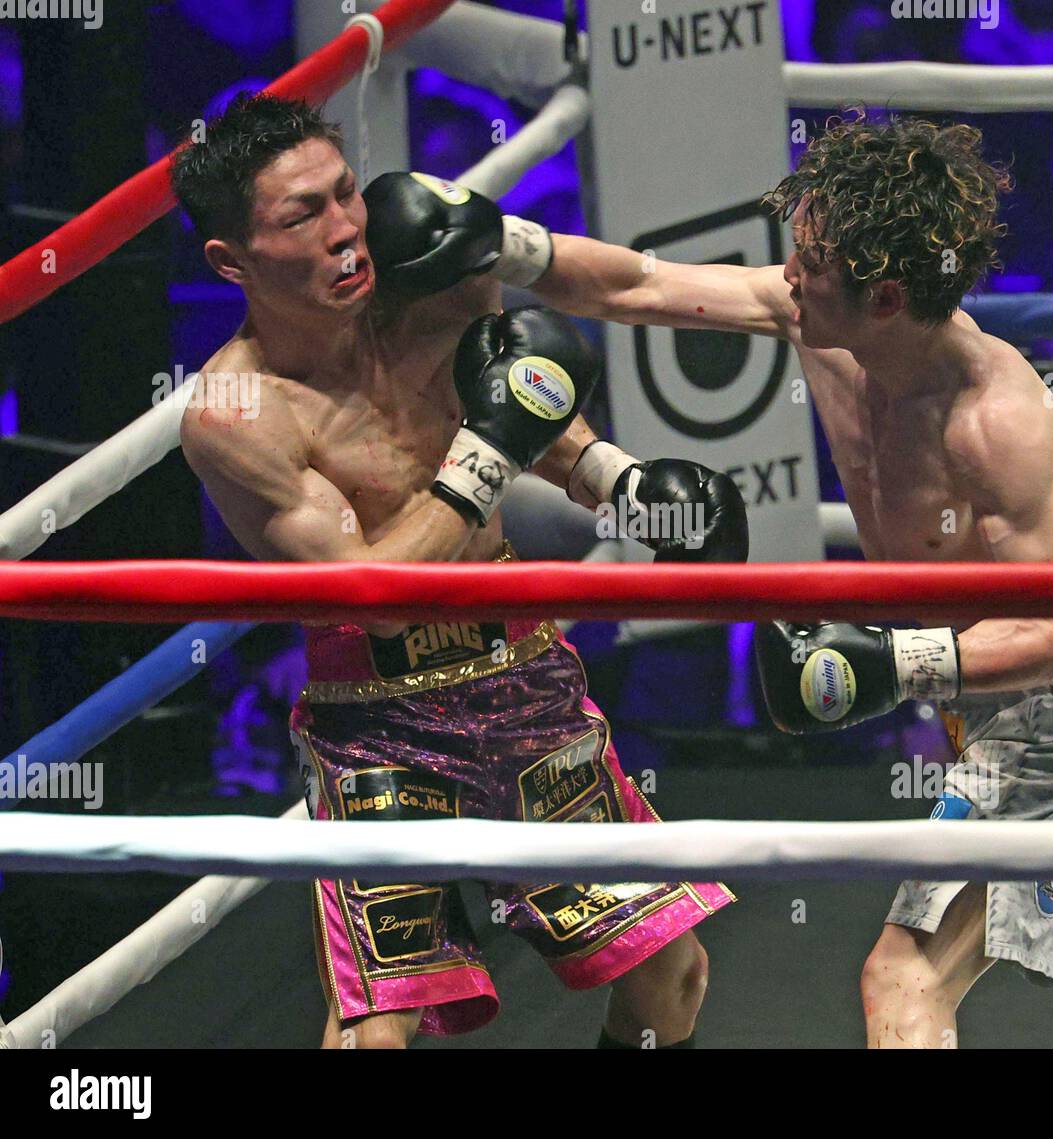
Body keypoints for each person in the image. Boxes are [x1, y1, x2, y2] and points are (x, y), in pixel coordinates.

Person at [386, 110, 1053, 1046]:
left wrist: (888, 664)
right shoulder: (819, 318)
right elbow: (642, 283)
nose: (786, 275)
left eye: (810, 263)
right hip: (1032, 696)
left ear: (886, 296)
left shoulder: (992, 421)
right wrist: (509, 242)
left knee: (905, 979)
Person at [171, 94, 747, 1049]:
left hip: (526, 679)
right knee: (378, 1027)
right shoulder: (238, 415)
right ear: (233, 262)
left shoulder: (433, 283)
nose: (345, 232)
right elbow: (377, 598)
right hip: (377, 720)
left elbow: (519, 400)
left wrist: (619, 481)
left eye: (345, 193)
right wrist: (490, 451)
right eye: (299, 216)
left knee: (671, 972)